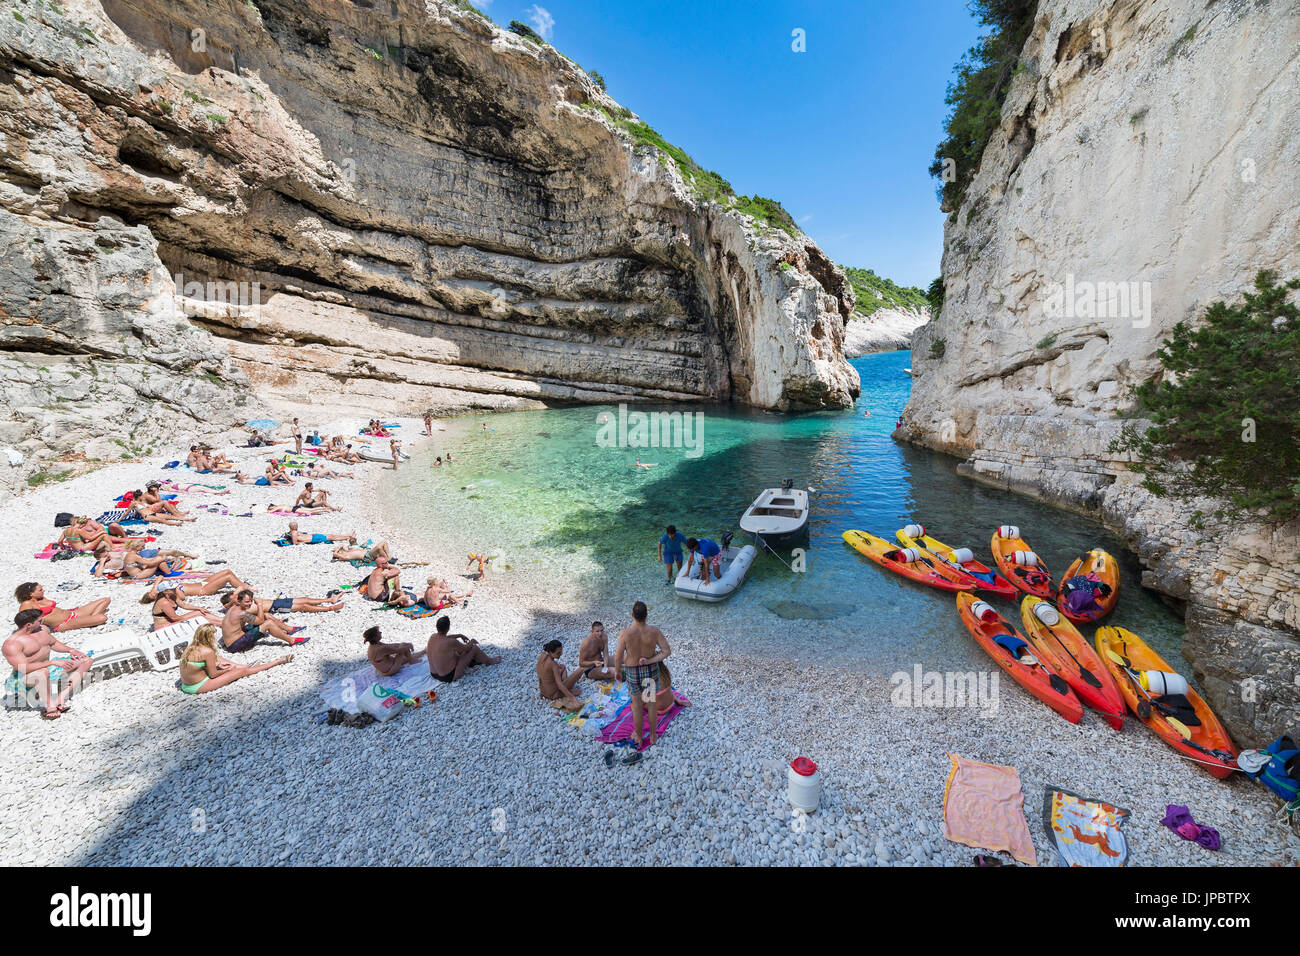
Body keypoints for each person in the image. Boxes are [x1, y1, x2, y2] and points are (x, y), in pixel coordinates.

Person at [4, 608, 92, 719]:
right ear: (28, 625)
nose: (43, 622)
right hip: (21, 678)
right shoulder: (12, 644)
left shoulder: (42, 630)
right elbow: (23, 668)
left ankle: (60, 699)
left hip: (47, 668)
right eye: (40, 621)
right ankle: (49, 707)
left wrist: (71, 650)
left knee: (86, 660)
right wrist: (52, 662)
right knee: (42, 672)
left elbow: (53, 643)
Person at [612, 601, 673, 753]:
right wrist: (650, 660)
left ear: (632, 615)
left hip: (632, 672)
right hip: (650, 671)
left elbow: (619, 656)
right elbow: (666, 651)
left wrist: (617, 671)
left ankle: (638, 735)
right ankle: (653, 735)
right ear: (646, 615)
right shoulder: (654, 632)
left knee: (637, 705)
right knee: (651, 703)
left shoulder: (625, 634)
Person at [178, 624, 291, 695]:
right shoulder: (208, 652)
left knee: (217, 658)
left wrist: (219, 665)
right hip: (197, 686)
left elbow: (199, 665)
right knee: (242, 672)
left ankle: (243, 665)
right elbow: (213, 675)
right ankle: (277, 661)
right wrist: (228, 670)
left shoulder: (191, 647)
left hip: (186, 684)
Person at [219, 590, 305, 652]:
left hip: (237, 637)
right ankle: (291, 640)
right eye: (247, 602)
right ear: (239, 601)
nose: (250, 604)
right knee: (268, 624)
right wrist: (259, 605)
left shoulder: (235, 607)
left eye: (251, 601)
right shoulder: (241, 613)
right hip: (235, 645)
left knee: (266, 615)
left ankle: (289, 629)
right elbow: (260, 621)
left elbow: (236, 595)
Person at [426, 615, 499, 683]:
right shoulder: (451, 642)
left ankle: (473, 661)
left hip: (434, 674)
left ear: (437, 627)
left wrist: (459, 635)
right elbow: (467, 648)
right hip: (448, 677)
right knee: (474, 648)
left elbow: (446, 637)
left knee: (454, 652)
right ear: (448, 628)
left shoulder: (433, 636)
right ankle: (489, 661)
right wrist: (472, 641)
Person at [14, 582, 110, 633]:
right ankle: (91, 619)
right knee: (103, 617)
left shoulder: (41, 598)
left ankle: (89, 619)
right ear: (31, 594)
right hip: (64, 623)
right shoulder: (27, 604)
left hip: (73, 613)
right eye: (40, 590)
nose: (43, 590)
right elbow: (23, 621)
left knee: (105, 600)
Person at [537, 640, 583, 712]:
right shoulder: (553, 664)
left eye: (561, 652)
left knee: (563, 667)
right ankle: (568, 691)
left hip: (543, 691)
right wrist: (573, 699)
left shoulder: (542, 656)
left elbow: (545, 672)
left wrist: (558, 668)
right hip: (553, 694)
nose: (560, 654)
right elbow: (559, 685)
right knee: (580, 670)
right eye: (558, 653)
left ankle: (567, 689)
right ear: (550, 652)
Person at [149, 586, 222, 630]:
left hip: (173, 622)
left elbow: (183, 605)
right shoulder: (163, 602)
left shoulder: (172, 595)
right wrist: (193, 618)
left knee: (200, 612)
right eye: (172, 588)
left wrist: (199, 608)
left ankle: (222, 621)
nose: (175, 589)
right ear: (165, 591)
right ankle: (222, 624)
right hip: (164, 627)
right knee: (199, 617)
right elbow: (175, 618)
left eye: (174, 588)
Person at [282, 522, 355, 546]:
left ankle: (348, 535)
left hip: (314, 536)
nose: (297, 526)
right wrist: (304, 542)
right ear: (293, 527)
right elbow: (295, 542)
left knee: (331, 535)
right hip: (313, 539)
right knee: (332, 537)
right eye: (296, 525)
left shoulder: (294, 532)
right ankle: (348, 536)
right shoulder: (294, 533)